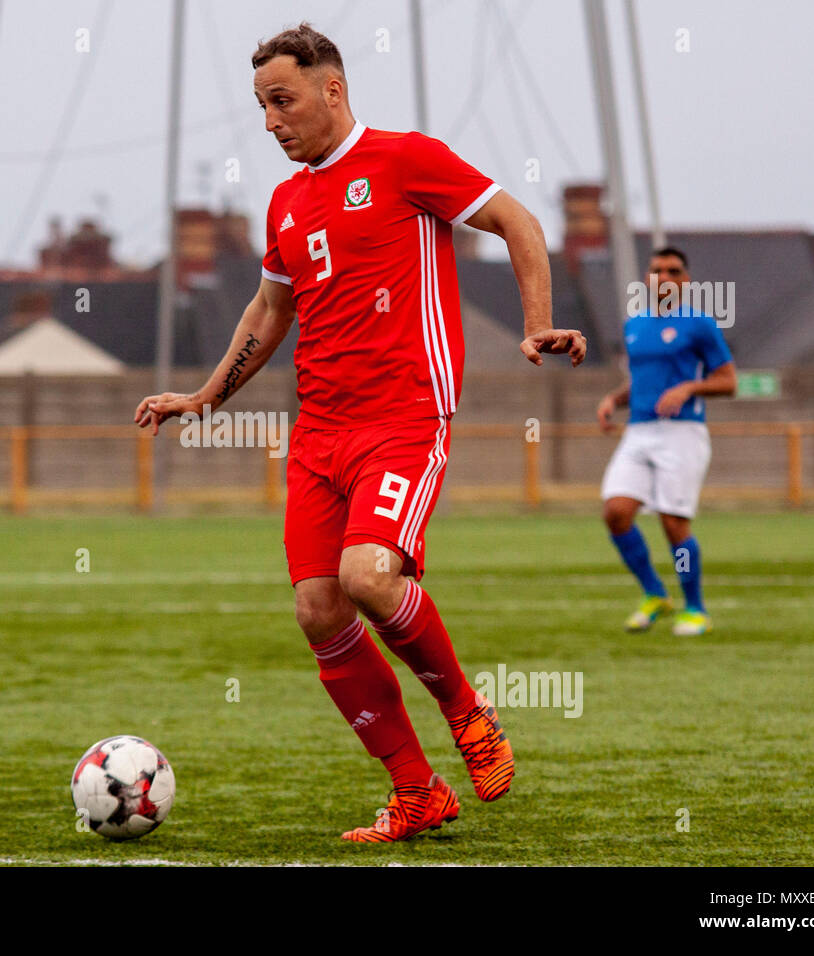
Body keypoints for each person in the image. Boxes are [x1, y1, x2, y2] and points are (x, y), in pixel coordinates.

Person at [135, 23, 586, 842]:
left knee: (371, 577)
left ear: (331, 91)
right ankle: (417, 790)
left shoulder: (407, 159)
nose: (271, 121)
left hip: (405, 418)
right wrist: (204, 396)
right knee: (317, 610)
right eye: (262, 106)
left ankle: (468, 712)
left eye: (283, 100)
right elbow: (271, 311)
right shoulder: (286, 201)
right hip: (320, 433)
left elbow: (520, 223)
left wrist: (537, 325)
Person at [597, 246, 736, 636]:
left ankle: (695, 608)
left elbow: (728, 381)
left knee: (673, 523)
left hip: (682, 432)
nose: (664, 277)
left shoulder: (699, 324)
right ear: (647, 278)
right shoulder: (634, 325)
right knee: (616, 512)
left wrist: (689, 387)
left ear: (685, 281)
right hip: (639, 430)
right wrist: (615, 399)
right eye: (657, 270)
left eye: (673, 271)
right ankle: (654, 593)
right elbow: (643, 380)